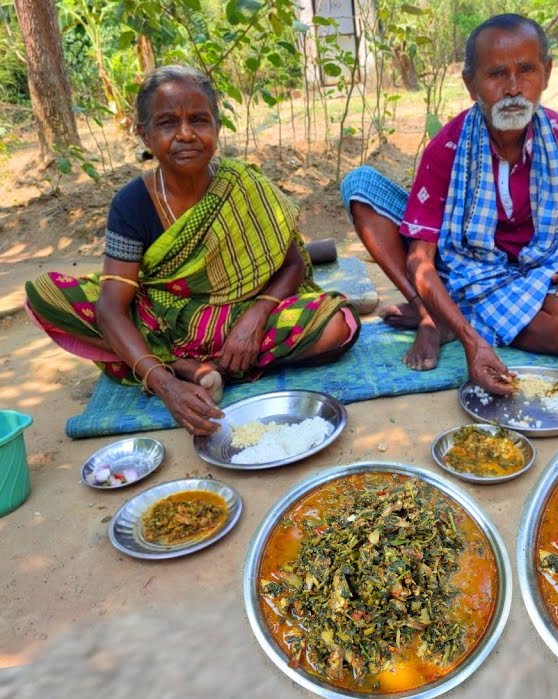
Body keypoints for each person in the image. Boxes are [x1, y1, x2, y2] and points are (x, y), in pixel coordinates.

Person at [24, 65, 359, 436]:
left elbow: (294, 263)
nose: (186, 134)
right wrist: (165, 388)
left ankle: (194, 365)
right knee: (46, 295)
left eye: (199, 120)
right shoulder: (131, 203)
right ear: (144, 134)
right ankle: (178, 369)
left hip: (237, 317)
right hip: (160, 320)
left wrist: (254, 319)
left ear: (217, 126)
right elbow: (110, 307)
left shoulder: (245, 186)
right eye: (167, 123)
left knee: (336, 325)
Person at [341, 13, 558, 395]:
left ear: (547, 74)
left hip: (531, 271)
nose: (514, 88)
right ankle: (430, 314)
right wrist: (474, 344)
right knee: (361, 185)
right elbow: (421, 259)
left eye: (527, 70)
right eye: (497, 74)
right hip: (456, 265)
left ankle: (450, 315)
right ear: (471, 84)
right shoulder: (447, 147)